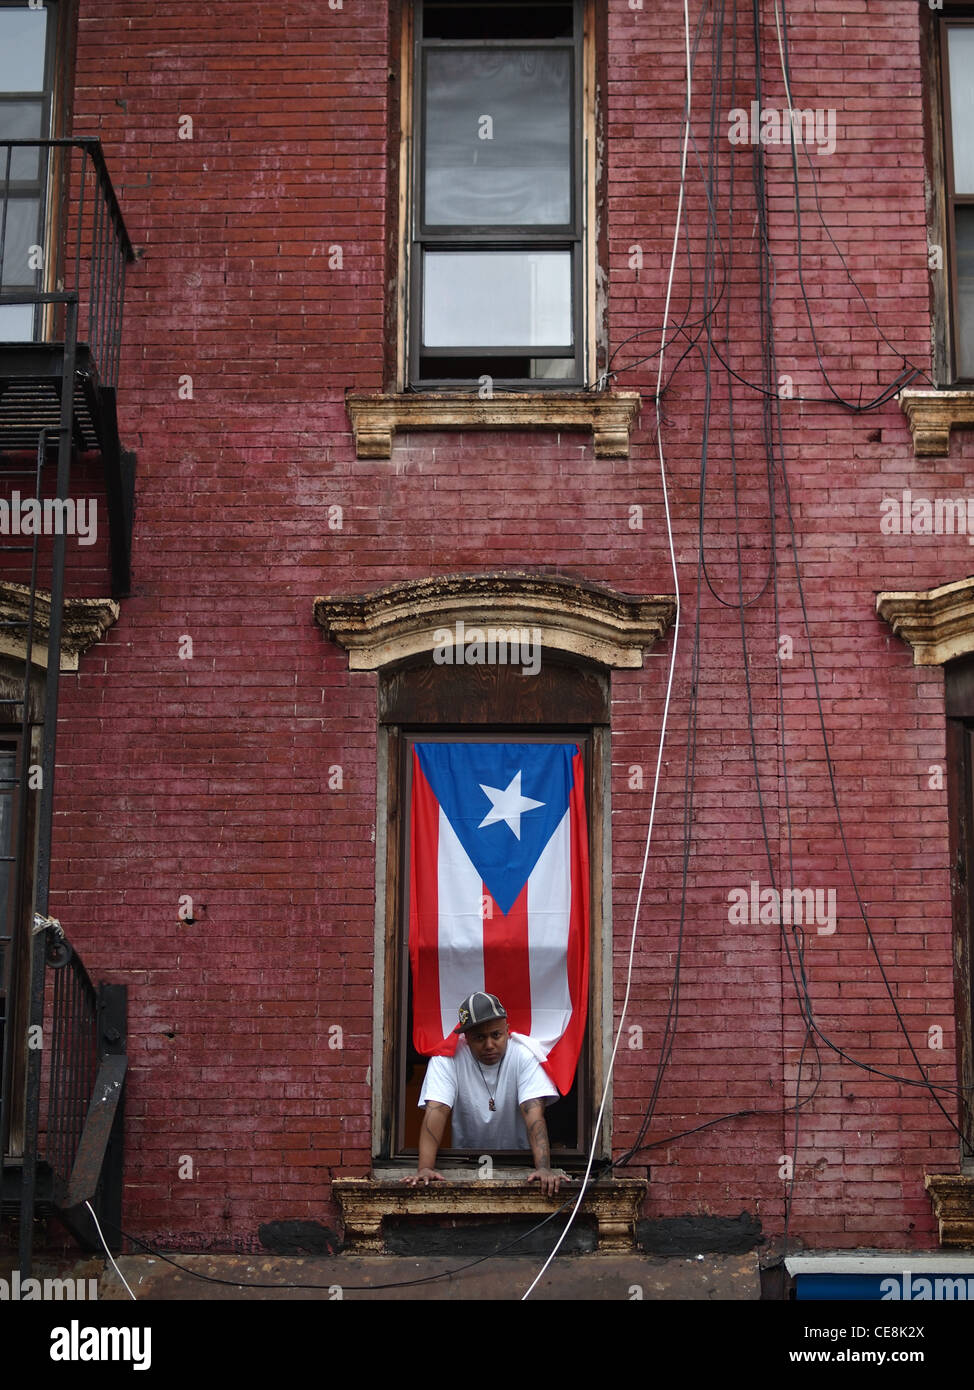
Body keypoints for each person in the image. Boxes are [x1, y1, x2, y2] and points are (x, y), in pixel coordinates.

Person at [404, 991, 568, 1195]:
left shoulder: (524, 1055)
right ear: (466, 1037)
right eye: (479, 1038)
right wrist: (425, 1168)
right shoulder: (445, 1060)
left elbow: (533, 1114)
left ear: (507, 1030)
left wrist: (543, 1168)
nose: (489, 1045)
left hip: (519, 1164)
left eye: (496, 1035)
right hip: (466, 1165)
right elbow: (436, 1111)